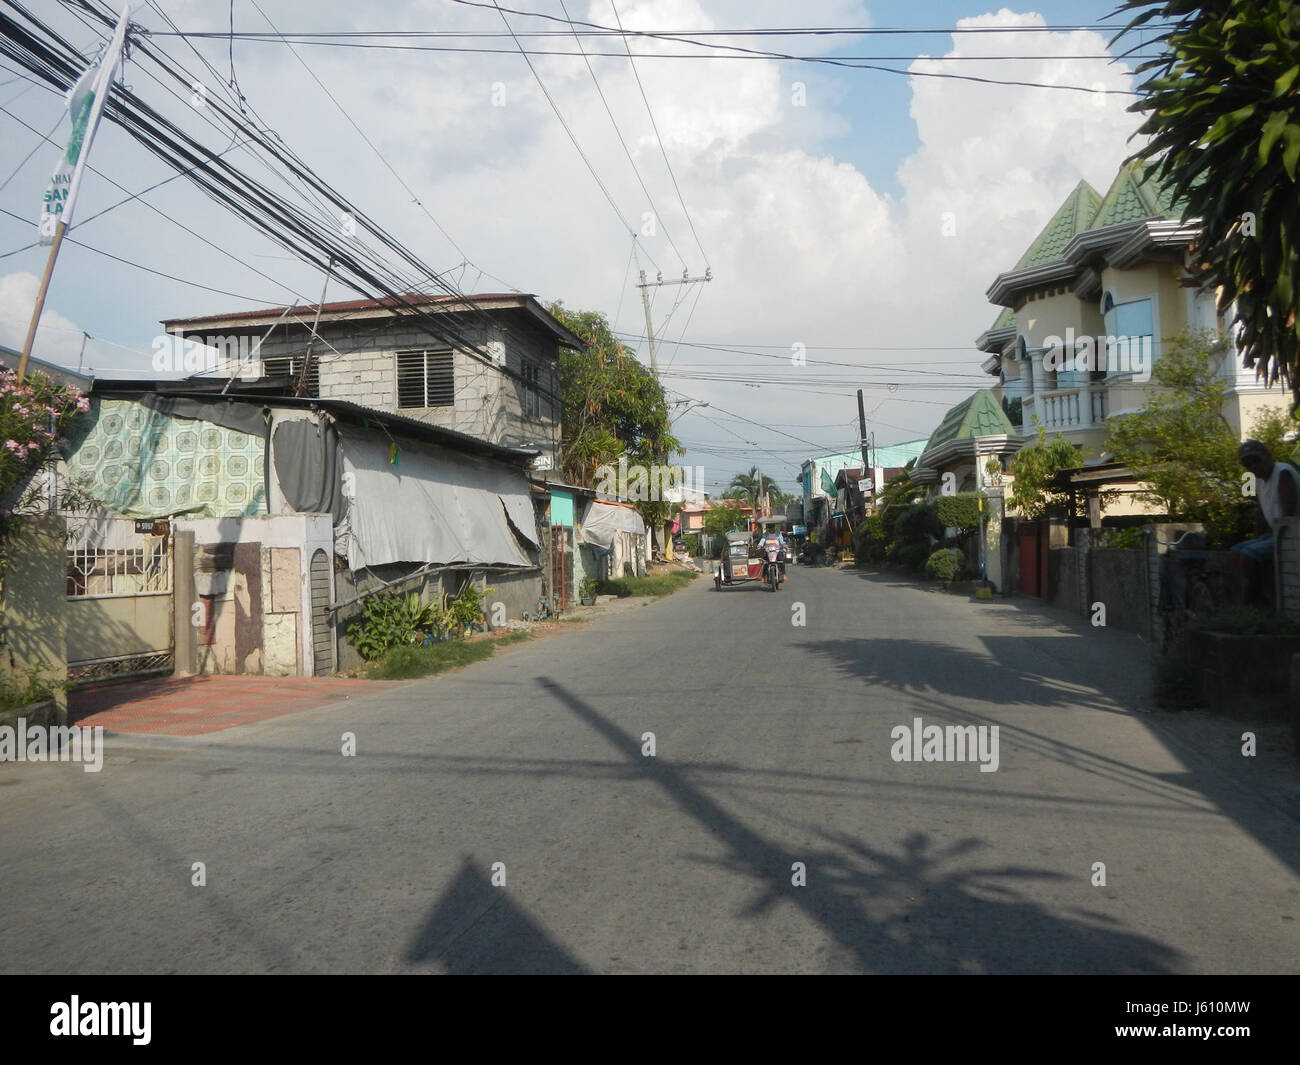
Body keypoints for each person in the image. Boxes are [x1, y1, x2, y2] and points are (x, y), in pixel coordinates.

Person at [1230, 439, 1299, 605]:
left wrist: (1274, 541)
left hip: (1292, 534)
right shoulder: (1260, 481)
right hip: (1275, 533)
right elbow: (1261, 512)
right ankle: (1256, 597)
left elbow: (1287, 514)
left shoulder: (1283, 473)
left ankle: (1252, 603)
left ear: (1268, 457)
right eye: (1248, 464)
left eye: (1256, 460)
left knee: (1247, 555)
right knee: (1235, 552)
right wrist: (1256, 538)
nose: (1253, 466)